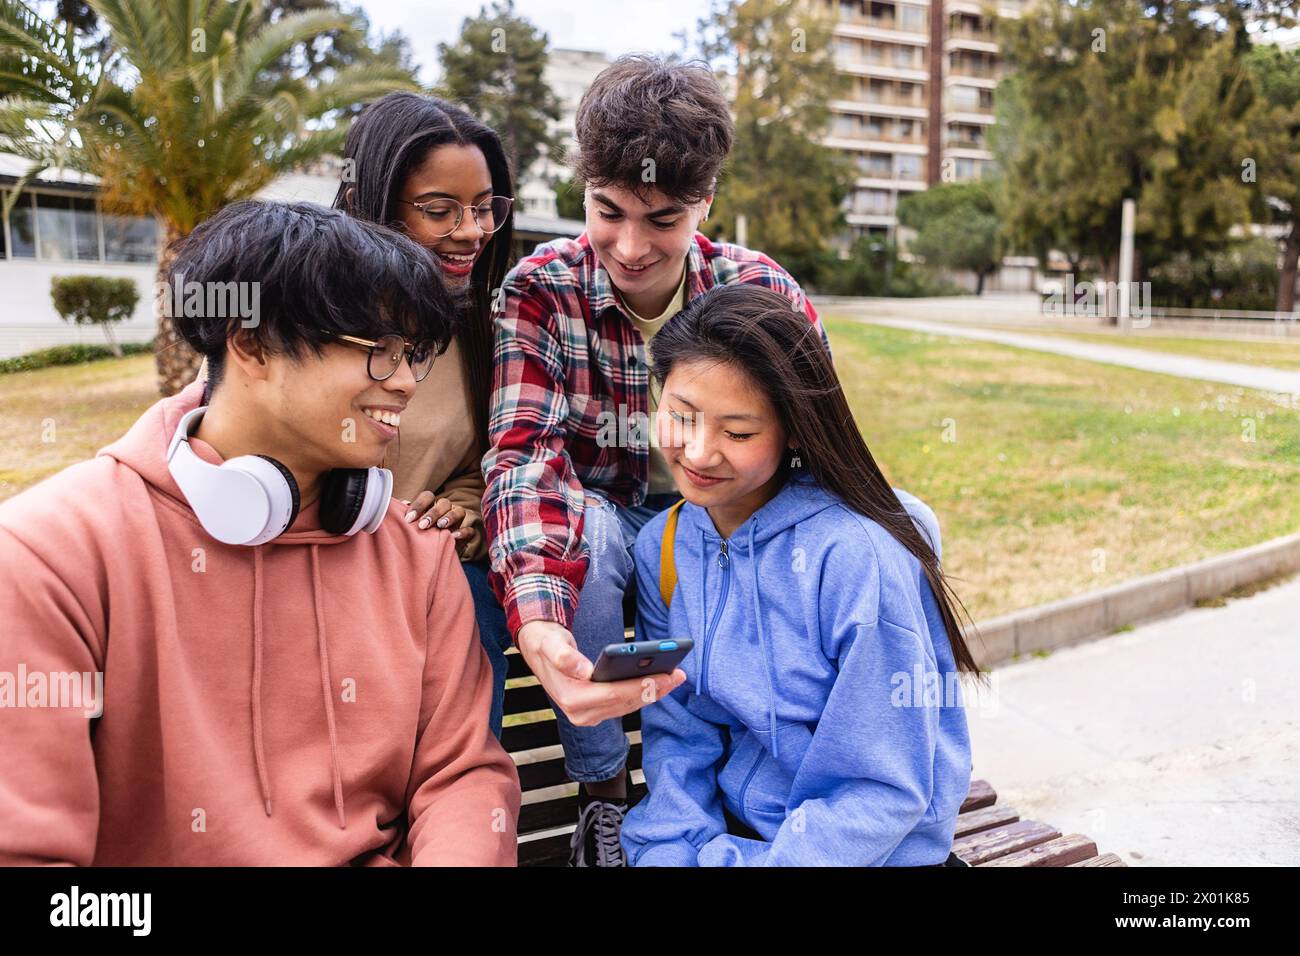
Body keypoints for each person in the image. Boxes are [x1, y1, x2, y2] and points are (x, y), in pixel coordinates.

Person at [477, 54, 939, 865]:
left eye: (661, 220)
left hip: (740, 522)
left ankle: (812, 772)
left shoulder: (758, 288)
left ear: (706, 203)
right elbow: (525, 462)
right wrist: (544, 623)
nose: (628, 245)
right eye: (606, 211)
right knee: (602, 534)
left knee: (902, 523)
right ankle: (604, 799)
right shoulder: (538, 289)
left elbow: (820, 454)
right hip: (608, 530)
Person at [0, 201, 520, 866]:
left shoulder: (413, 550)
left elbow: (464, 777)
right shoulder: (49, 555)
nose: (408, 383)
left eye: (415, 354)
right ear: (251, 344)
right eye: (379, 353)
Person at [620, 284, 982, 866]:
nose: (699, 451)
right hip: (742, 839)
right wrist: (669, 851)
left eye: (738, 433)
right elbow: (679, 735)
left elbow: (881, 792)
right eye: (681, 417)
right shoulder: (665, 545)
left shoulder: (856, 557)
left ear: (794, 432)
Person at [332, 91, 517, 738]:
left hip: (435, 582)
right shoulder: (299, 321)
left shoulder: (480, 330)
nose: (470, 230)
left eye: (484, 208)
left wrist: (464, 511)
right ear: (368, 205)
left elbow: (474, 463)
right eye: (439, 210)